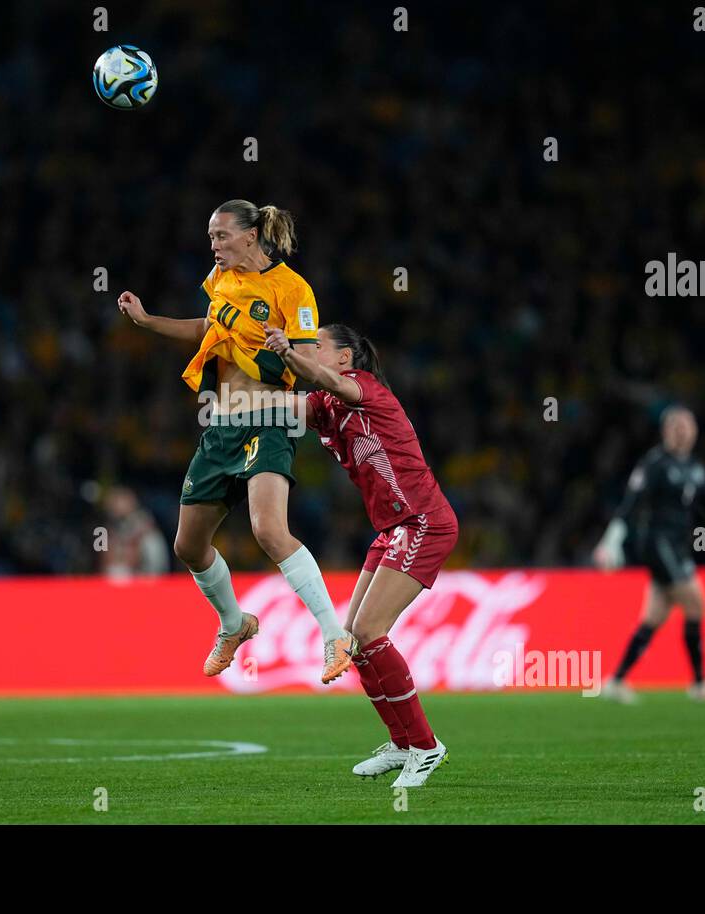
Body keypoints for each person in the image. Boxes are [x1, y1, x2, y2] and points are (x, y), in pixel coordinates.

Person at [117, 199, 357, 684]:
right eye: (211, 237)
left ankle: (335, 634)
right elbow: (209, 327)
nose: (215, 245)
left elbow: (309, 361)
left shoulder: (293, 289)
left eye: (222, 236)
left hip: (270, 420)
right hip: (221, 426)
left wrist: (285, 350)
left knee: (269, 529)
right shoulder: (220, 281)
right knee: (187, 545)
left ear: (251, 236)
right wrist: (148, 321)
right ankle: (234, 623)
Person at [267, 323, 459, 787]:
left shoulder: (364, 390)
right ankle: (401, 744)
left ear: (345, 359)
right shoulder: (327, 404)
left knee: (370, 632)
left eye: (318, 347)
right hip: (393, 529)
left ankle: (426, 746)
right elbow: (281, 408)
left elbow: (328, 383)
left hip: (423, 522)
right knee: (352, 639)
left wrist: (287, 353)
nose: (309, 351)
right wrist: (225, 397)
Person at [593, 407, 705, 703]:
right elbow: (631, 504)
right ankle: (699, 683)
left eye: (686, 427)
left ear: (694, 431)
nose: (682, 432)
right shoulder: (655, 464)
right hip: (658, 544)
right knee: (697, 604)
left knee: (655, 616)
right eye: (676, 427)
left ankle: (616, 681)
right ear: (666, 432)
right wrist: (611, 541)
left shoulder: (694, 467)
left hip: (679, 545)